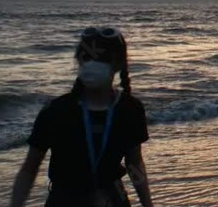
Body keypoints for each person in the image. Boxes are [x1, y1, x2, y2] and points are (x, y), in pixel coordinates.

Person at [11, 27, 153, 207]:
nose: (94, 64)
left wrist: (148, 204)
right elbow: (29, 168)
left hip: (113, 200)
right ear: (79, 61)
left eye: (102, 59)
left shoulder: (130, 109)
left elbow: (135, 163)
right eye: (87, 58)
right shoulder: (56, 110)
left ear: (118, 65)